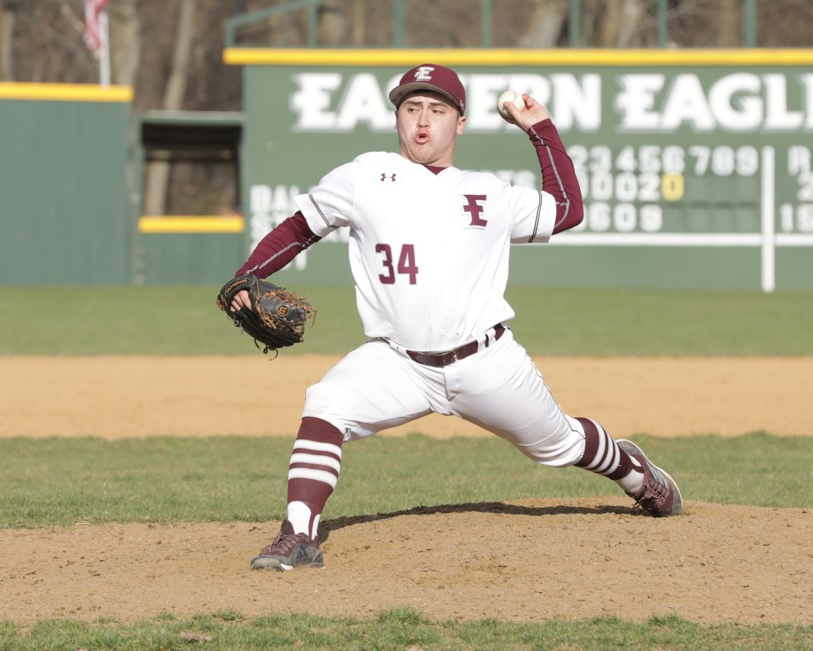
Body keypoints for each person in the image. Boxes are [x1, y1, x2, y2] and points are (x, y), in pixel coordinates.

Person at [223, 63, 683, 571]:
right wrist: (246, 276)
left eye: (437, 110)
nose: (422, 121)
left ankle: (633, 472)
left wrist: (541, 129)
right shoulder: (363, 176)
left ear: (459, 123)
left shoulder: (489, 193)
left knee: (561, 445)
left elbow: (568, 209)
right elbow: (297, 228)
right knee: (326, 401)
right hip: (398, 361)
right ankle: (298, 536)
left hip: (486, 362)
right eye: (411, 108)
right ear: (397, 118)